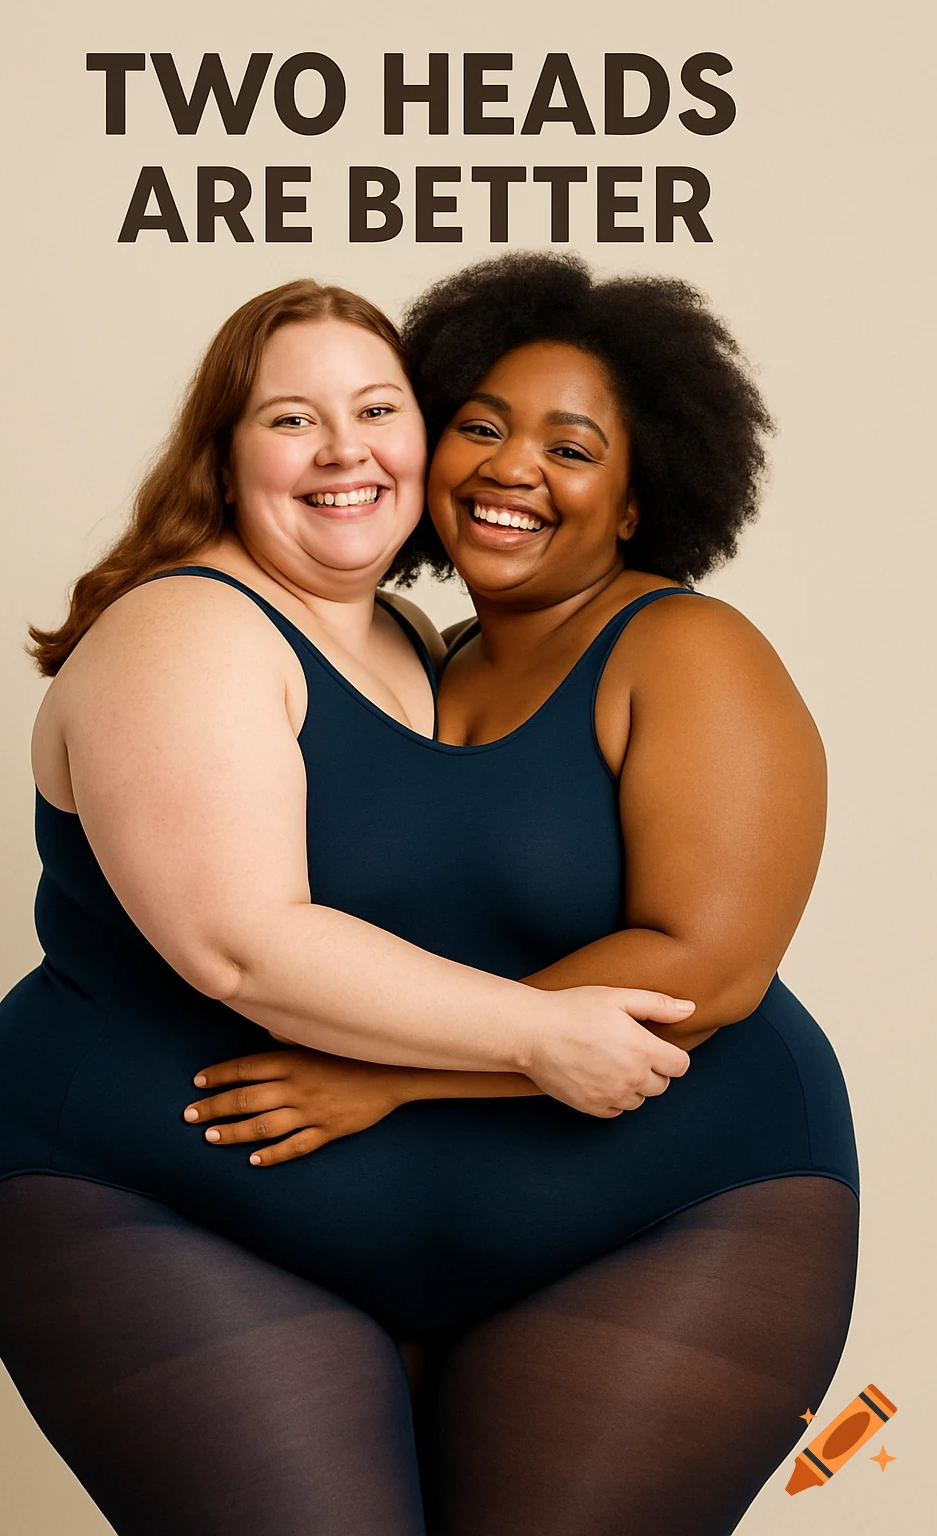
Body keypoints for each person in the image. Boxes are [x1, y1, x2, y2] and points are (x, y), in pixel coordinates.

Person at [0, 276, 696, 1536]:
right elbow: (240, 946)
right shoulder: (182, 627)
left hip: (401, 1232)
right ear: (223, 456)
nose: (345, 450)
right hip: (152, 1199)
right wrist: (535, 1036)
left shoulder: (407, 634)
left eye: (378, 408)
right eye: (291, 419)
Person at [176, 255, 860, 1534]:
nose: (508, 467)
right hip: (429, 1235)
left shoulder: (686, 649)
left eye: (569, 445)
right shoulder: (419, 658)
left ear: (639, 497)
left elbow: (706, 966)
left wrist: (385, 1077)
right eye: (480, 425)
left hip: (686, 1194)